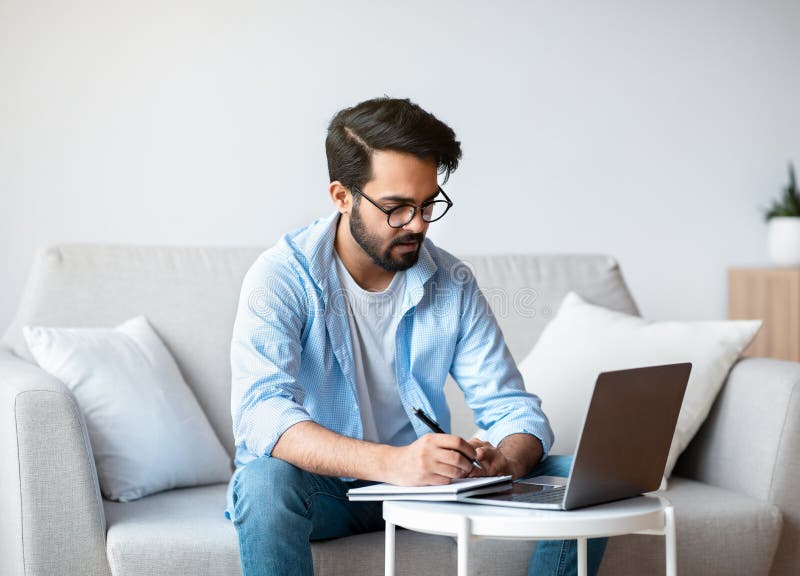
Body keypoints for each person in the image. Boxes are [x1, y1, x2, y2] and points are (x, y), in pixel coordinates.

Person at [226, 96, 607, 575]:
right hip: (324, 491)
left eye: (428, 204)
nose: (419, 224)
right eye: (397, 208)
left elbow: (512, 408)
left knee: (586, 477)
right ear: (342, 197)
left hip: (430, 492)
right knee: (264, 481)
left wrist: (503, 461)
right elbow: (262, 413)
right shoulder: (282, 277)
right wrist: (393, 464)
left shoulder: (451, 282)